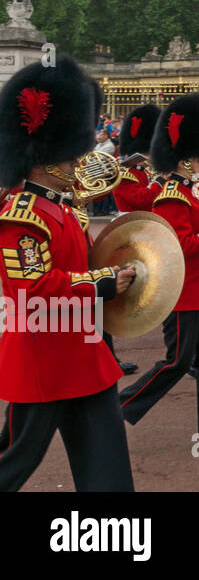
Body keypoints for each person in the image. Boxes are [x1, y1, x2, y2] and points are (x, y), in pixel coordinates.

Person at [0, 56, 136, 491]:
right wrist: (103, 283)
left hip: (85, 355)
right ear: (47, 157)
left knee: (107, 466)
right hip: (43, 359)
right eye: (74, 153)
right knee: (15, 461)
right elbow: (32, 289)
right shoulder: (23, 217)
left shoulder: (62, 209)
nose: (81, 161)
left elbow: (76, 266)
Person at [118, 94, 199, 446]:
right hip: (181, 290)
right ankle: (119, 407)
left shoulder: (188, 192)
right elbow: (180, 245)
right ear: (184, 161)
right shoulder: (170, 197)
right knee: (177, 361)